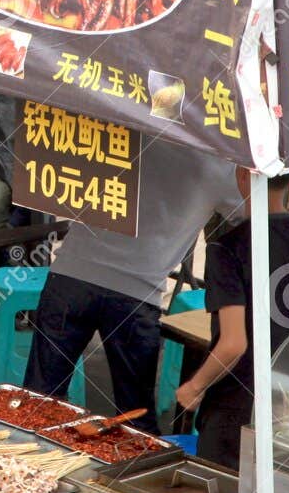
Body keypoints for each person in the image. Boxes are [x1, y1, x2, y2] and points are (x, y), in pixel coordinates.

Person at [22, 139, 244, 433]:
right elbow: (252, 214)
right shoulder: (218, 166)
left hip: (70, 277)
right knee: (135, 419)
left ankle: (27, 455)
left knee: (38, 401)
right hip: (135, 295)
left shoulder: (126, 133)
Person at [176, 169, 289, 470]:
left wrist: (195, 386)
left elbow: (233, 344)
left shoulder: (227, 248)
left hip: (240, 405)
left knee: (225, 488)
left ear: (241, 175)